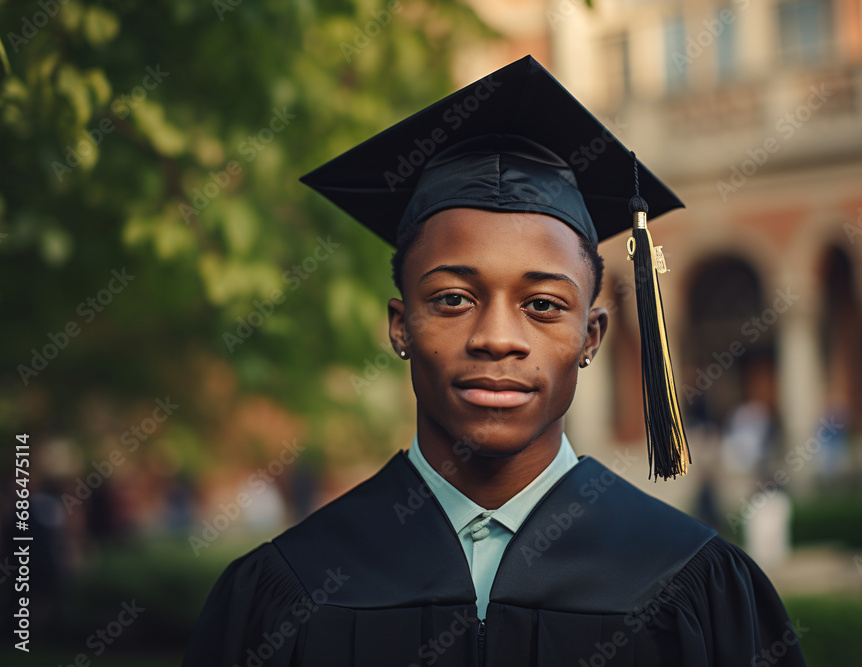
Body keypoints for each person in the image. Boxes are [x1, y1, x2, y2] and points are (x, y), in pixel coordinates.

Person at [182, 56, 807, 667]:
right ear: (401, 326)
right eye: (453, 299)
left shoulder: (690, 583)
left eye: (542, 304)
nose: (497, 338)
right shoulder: (290, 588)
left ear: (592, 337)